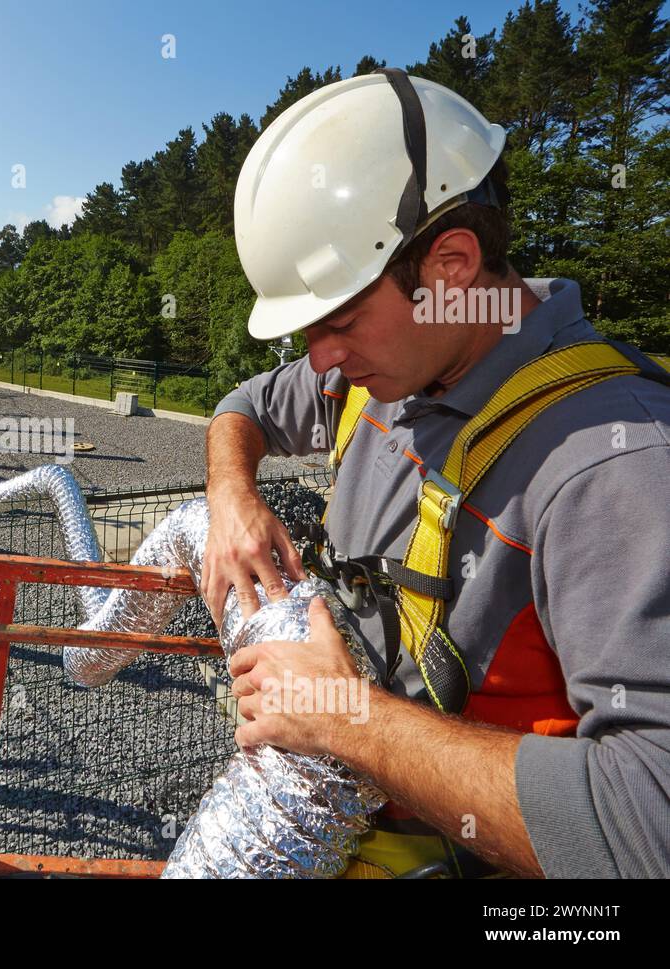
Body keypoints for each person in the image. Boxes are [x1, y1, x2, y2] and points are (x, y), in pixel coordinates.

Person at [205, 69, 670, 878]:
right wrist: (231, 494)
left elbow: (649, 826)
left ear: (451, 265)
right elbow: (243, 405)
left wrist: (345, 718)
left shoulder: (612, 464)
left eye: (339, 321)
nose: (320, 359)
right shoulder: (394, 363)